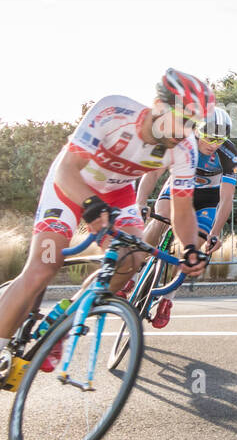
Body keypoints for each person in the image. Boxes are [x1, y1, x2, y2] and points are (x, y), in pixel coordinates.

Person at [0, 69, 211, 378]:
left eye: (195, 124)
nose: (186, 131)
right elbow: (67, 169)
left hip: (117, 194)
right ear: (158, 106)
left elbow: (182, 210)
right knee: (44, 266)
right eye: (182, 119)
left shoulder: (185, 148)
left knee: (130, 259)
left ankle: (63, 321)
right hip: (71, 185)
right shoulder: (113, 110)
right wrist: (88, 204)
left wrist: (191, 247)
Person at [136, 105, 237, 327]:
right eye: (209, 137)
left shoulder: (228, 154)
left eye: (220, 140)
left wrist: (214, 232)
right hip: (177, 189)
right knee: (159, 220)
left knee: (192, 246)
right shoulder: (179, 138)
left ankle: (167, 299)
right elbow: (153, 172)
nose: (214, 145)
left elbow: (226, 198)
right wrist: (141, 202)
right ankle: (134, 267)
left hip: (208, 199)